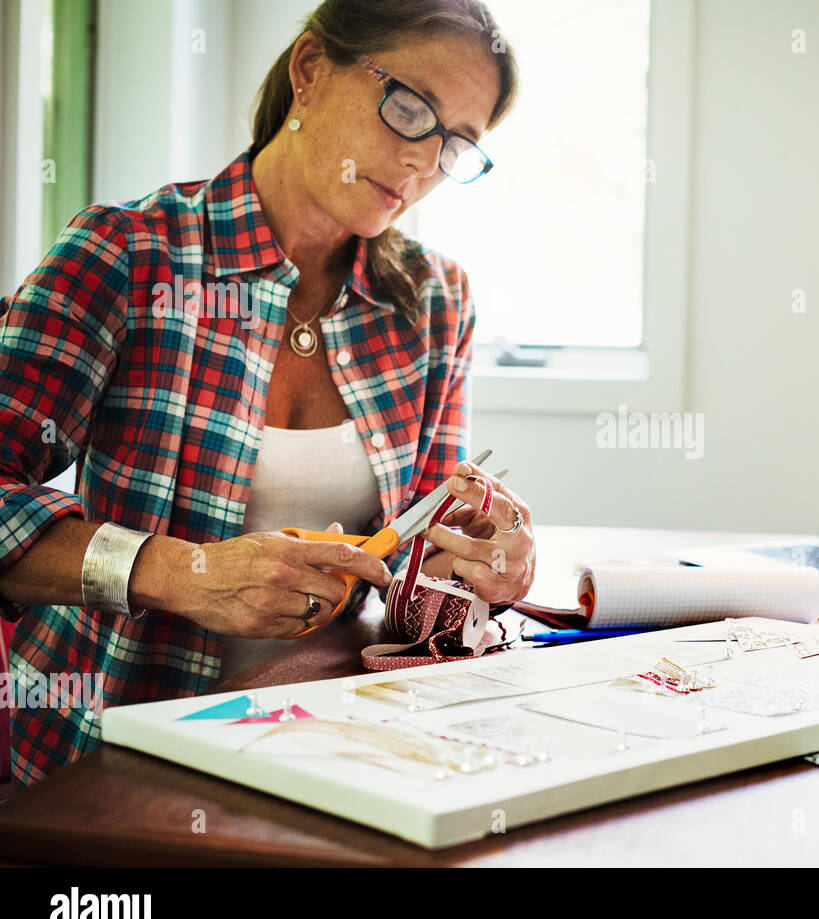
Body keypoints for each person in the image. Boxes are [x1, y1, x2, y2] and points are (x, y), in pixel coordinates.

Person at [0, 0, 534, 785]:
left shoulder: (434, 300)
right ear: (310, 70)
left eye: (457, 142)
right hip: (107, 755)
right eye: (410, 109)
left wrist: (489, 562)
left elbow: (425, 546)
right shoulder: (125, 256)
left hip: (337, 749)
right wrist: (187, 575)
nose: (424, 161)